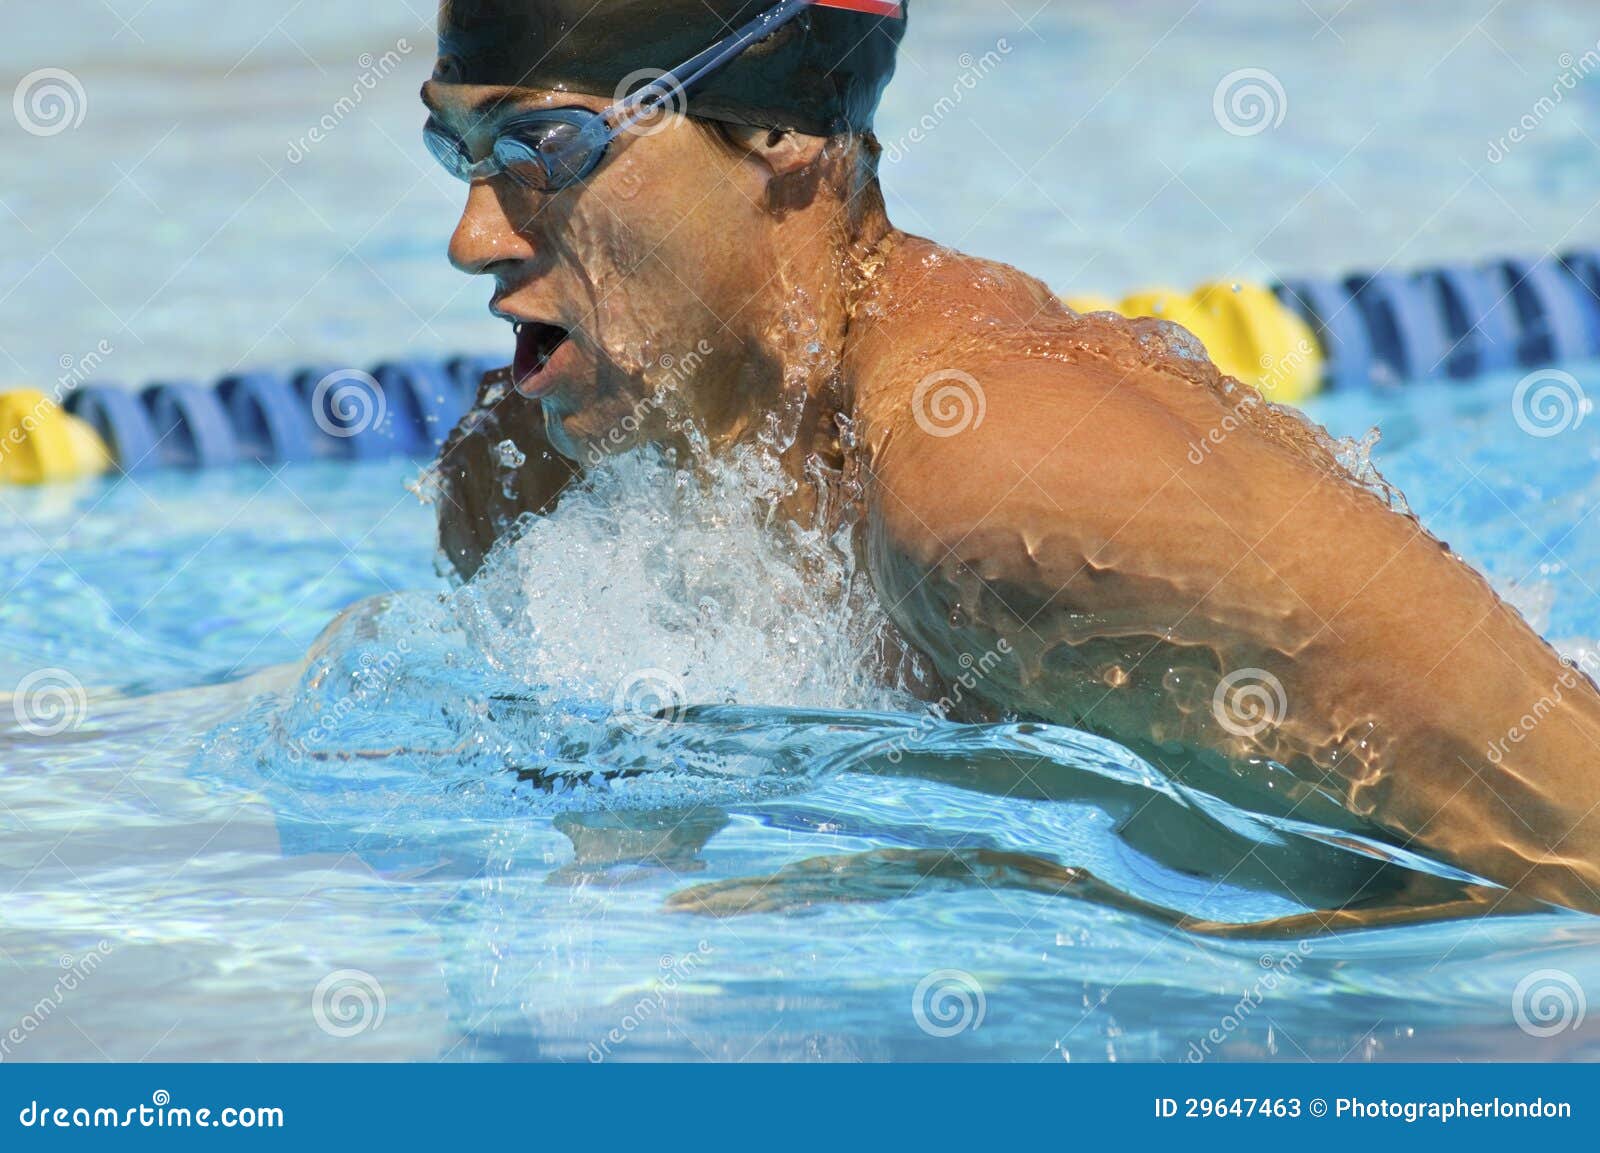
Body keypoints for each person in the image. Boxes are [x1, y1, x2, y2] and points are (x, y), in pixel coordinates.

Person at [423, 0, 1600, 931]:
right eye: (458, 150)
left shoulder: (1000, 481)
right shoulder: (530, 480)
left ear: (776, 131)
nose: (472, 234)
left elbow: (1574, 849)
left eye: (544, 146)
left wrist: (1181, 961)